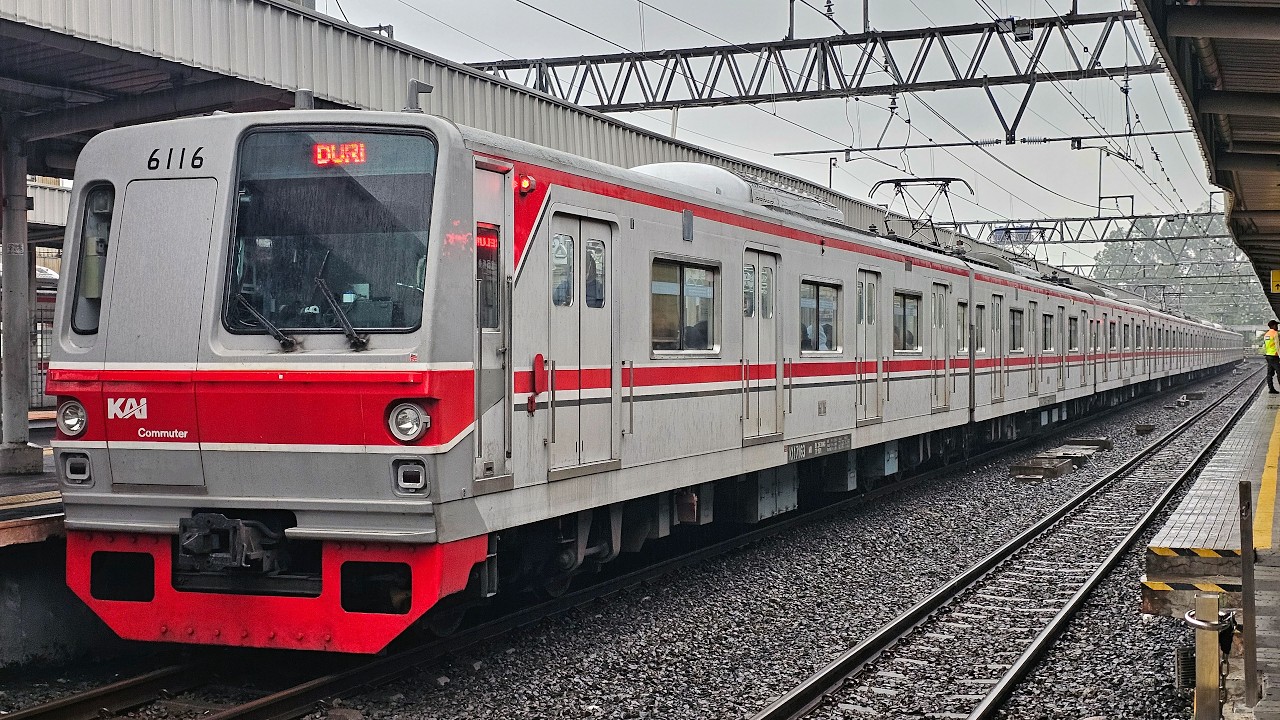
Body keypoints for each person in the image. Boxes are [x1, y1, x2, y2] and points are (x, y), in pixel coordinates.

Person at [1265, 320, 1280, 394]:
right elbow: (1277, 346)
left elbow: (1266, 346)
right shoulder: (1275, 333)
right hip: (1275, 355)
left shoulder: (1266, 334)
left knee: (1269, 374)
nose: (1277, 327)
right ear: (1273, 326)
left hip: (1268, 355)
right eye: (1276, 325)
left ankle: (1271, 389)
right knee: (1279, 372)